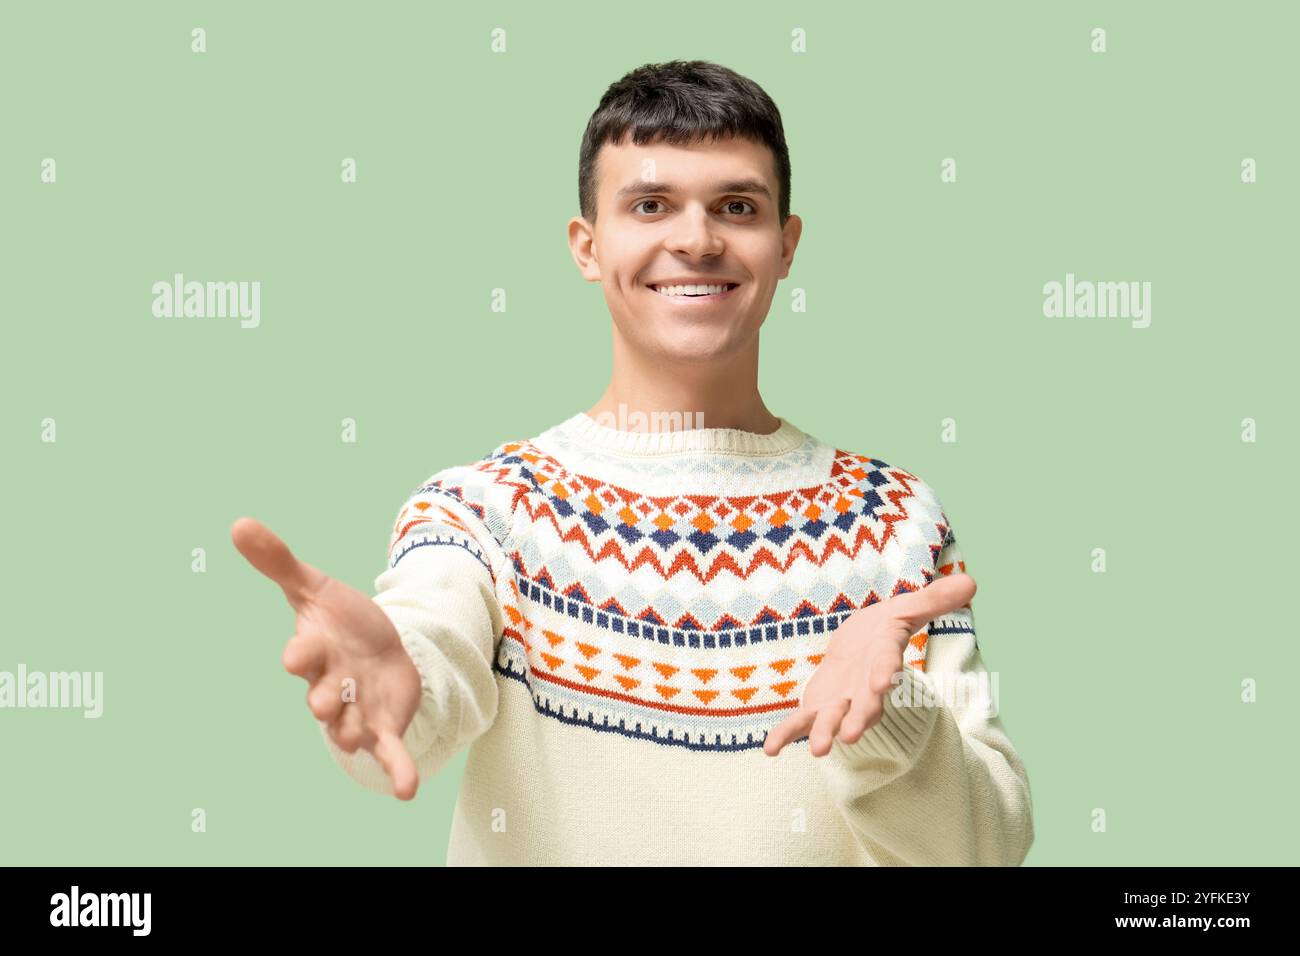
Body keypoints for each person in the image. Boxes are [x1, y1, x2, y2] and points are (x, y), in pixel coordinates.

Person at [232, 59, 1033, 866]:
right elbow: (420, 674)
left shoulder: (895, 520)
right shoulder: (485, 511)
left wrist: (891, 708)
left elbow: (990, 849)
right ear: (587, 246)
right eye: (651, 205)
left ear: (786, 246)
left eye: (738, 207)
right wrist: (385, 691)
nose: (696, 238)